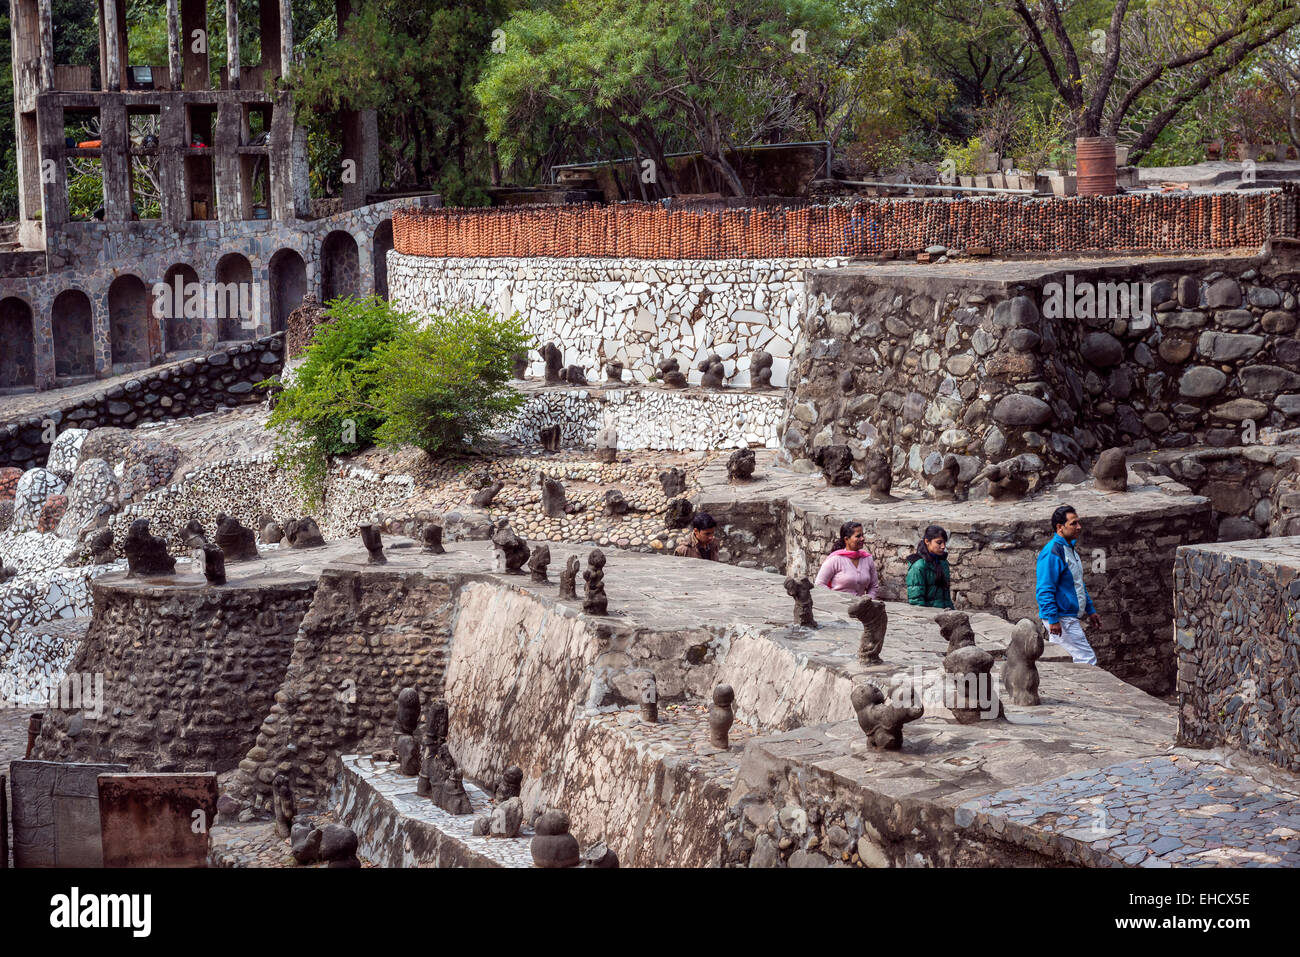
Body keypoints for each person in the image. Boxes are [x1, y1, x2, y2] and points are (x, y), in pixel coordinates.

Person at [1035, 504, 1100, 665]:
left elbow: (1078, 583)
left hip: (1065, 616)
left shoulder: (1069, 549)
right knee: (1087, 659)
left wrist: (1090, 610)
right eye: (1073, 523)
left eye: (1078, 522)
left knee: (1062, 660)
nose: (1079, 527)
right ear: (1059, 527)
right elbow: (1044, 589)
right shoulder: (1053, 553)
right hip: (1062, 617)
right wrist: (1053, 618)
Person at [814, 521, 878, 596]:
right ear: (846, 539)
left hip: (862, 606)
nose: (862, 539)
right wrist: (835, 599)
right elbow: (819, 584)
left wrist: (869, 599)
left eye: (862, 535)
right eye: (858, 536)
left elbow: (874, 586)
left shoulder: (867, 559)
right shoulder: (835, 559)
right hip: (839, 606)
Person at [905, 524, 954, 608]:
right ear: (927, 541)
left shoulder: (943, 562)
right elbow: (916, 601)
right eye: (939, 543)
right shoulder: (918, 566)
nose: (943, 546)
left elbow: (946, 596)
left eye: (944, 542)